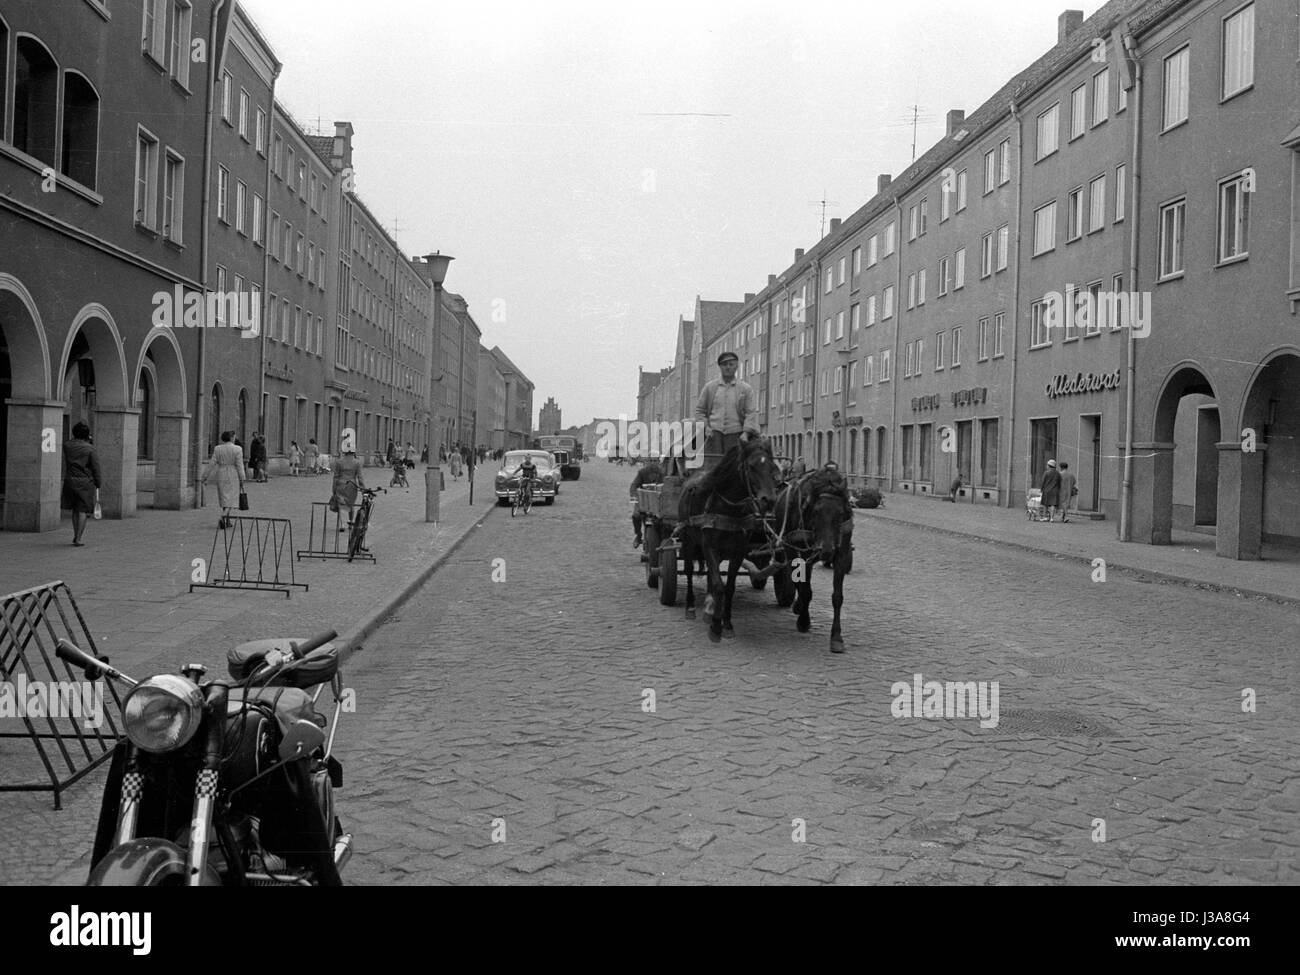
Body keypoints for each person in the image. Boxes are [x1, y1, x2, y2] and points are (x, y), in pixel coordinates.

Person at [695, 350, 761, 469]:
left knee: (737, 467)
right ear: (720, 367)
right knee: (711, 468)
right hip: (714, 435)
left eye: (731, 364)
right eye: (724, 365)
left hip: (736, 435)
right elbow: (700, 411)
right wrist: (706, 427)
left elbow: (750, 412)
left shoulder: (745, 389)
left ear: (736, 366)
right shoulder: (710, 388)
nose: (728, 367)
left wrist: (746, 433)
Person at [62, 421, 102, 546]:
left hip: (70, 481)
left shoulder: (67, 446)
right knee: (82, 511)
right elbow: (95, 467)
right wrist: (98, 482)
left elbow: (71, 444)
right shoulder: (90, 449)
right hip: (85, 483)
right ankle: (78, 538)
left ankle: (75, 535)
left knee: (75, 510)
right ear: (87, 434)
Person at [203, 430, 246, 530]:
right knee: (230, 498)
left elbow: (212, 463)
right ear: (231, 438)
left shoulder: (218, 448)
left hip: (221, 473)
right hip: (233, 473)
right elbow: (240, 465)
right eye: (234, 437)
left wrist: (205, 475)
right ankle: (223, 517)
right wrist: (242, 478)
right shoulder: (237, 449)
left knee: (224, 497)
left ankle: (227, 520)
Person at [629, 456, 665, 547]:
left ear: (658, 461)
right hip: (644, 500)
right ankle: (638, 535)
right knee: (635, 515)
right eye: (651, 460)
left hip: (659, 501)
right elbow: (634, 486)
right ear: (648, 461)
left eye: (655, 460)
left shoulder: (664, 473)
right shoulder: (642, 472)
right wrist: (635, 497)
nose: (653, 463)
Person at [331, 443, 366, 531]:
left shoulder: (339, 462)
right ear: (354, 451)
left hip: (341, 484)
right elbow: (360, 477)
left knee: (340, 504)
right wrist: (363, 489)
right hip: (352, 485)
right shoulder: (357, 462)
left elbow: (335, 476)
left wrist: (334, 488)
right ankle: (350, 522)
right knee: (351, 504)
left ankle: (341, 524)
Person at [1040, 459, 1062, 523]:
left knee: (1045, 504)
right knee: (1053, 504)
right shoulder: (1058, 473)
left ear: (1049, 465)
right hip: (1055, 491)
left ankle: (1045, 517)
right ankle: (1051, 518)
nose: (1047, 466)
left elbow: (1043, 482)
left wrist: (1041, 489)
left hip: (1046, 490)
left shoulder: (1046, 472)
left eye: (1047, 465)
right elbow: (1059, 482)